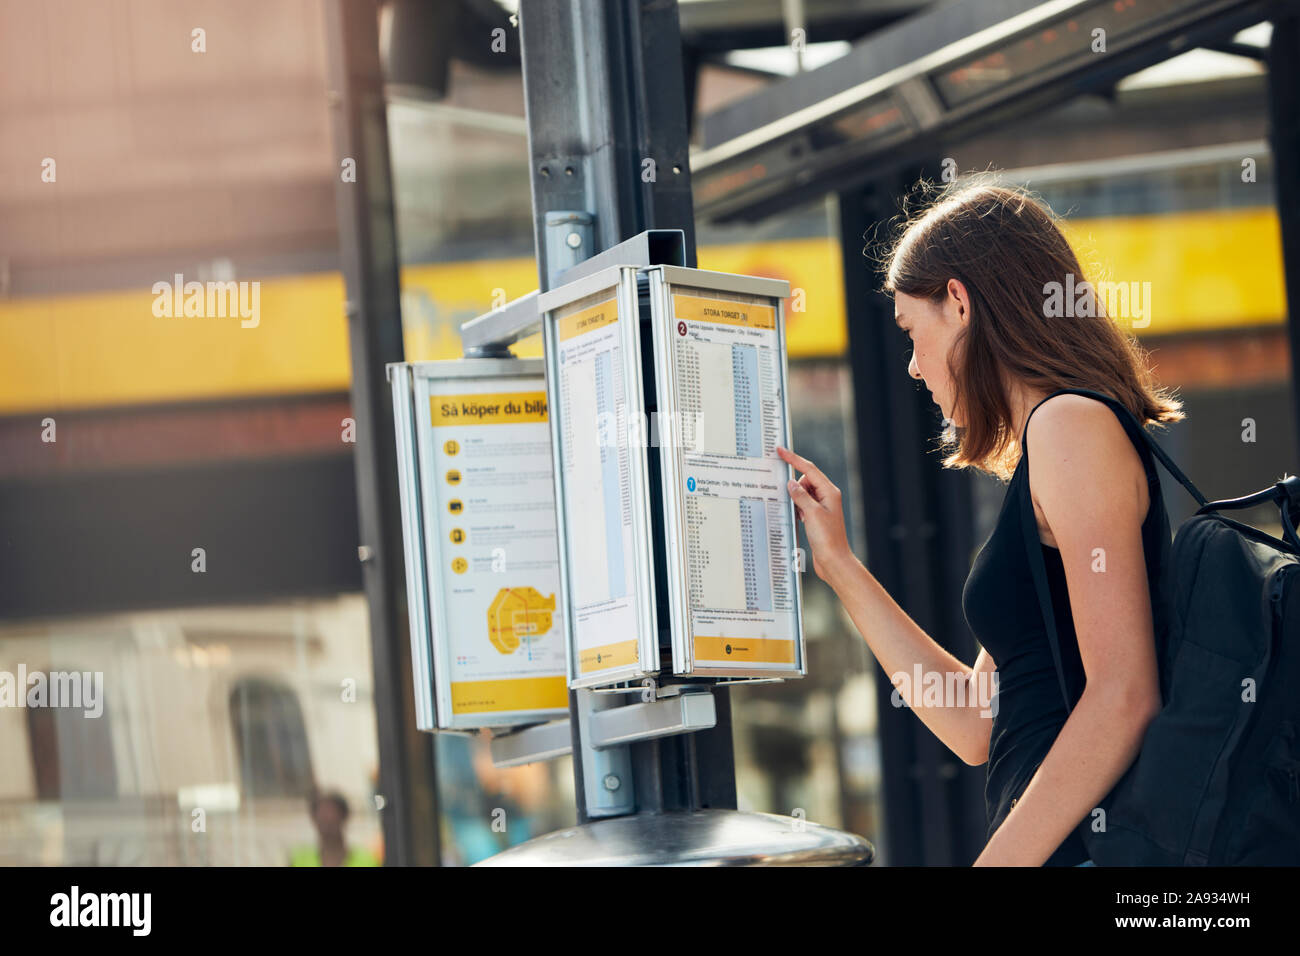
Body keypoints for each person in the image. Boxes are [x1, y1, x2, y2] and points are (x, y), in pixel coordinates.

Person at [777, 176, 1182, 866]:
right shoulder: (1051, 442)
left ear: (959, 302)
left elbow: (1124, 694)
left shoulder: (1072, 426)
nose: (911, 365)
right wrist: (839, 565)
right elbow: (975, 723)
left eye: (912, 331)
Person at [289, 789, 380, 867]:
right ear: (314, 820)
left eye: (331, 815)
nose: (327, 823)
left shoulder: (366, 861)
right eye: (322, 817)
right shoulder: (300, 860)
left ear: (344, 817)